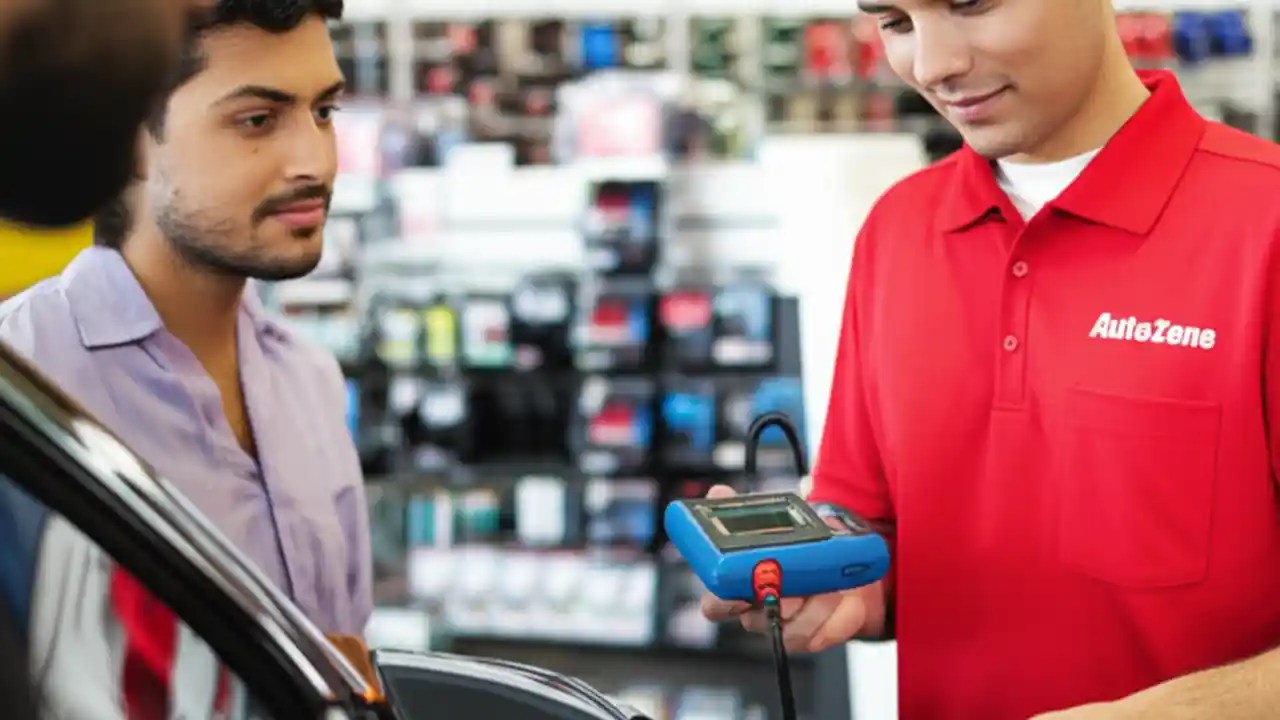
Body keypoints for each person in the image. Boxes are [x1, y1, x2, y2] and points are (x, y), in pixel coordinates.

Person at [702, 1, 1280, 719]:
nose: (932, 64)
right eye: (895, 22)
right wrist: (832, 585)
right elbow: (880, 539)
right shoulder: (898, 230)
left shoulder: (1264, 223)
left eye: (970, 3)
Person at [0, 0, 371, 638]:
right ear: (134, 138)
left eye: (323, 112)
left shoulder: (310, 382)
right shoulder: (25, 389)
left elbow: (348, 653)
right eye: (257, 120)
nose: (314, 161)